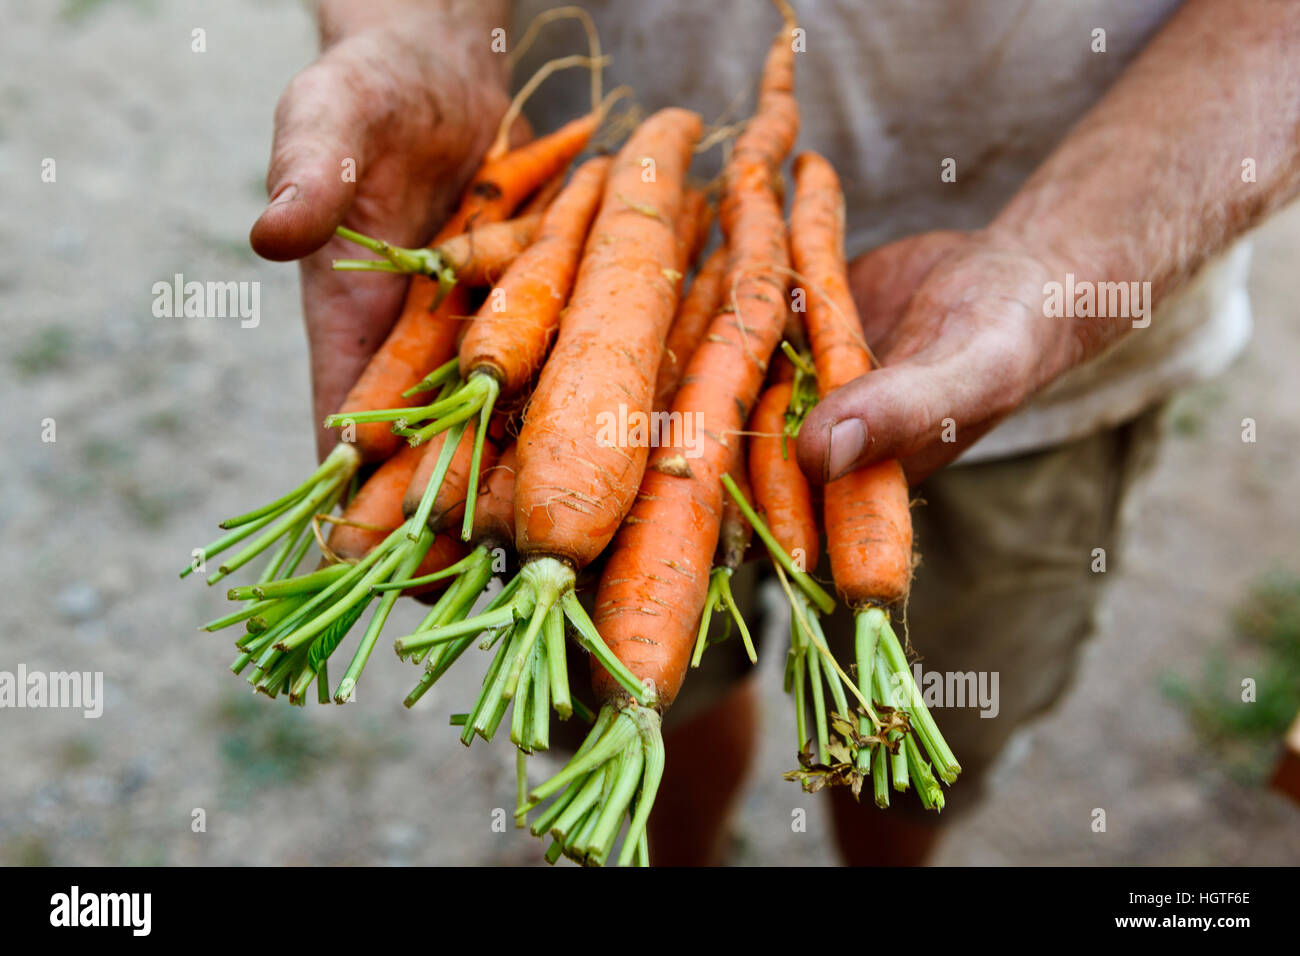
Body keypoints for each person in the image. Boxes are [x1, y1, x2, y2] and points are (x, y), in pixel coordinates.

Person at [249, 0, 1300, 865]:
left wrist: (1060, 274)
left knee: (940, 714)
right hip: (583, 218)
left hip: (1053, 298)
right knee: (643, 674)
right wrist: (411, 31)